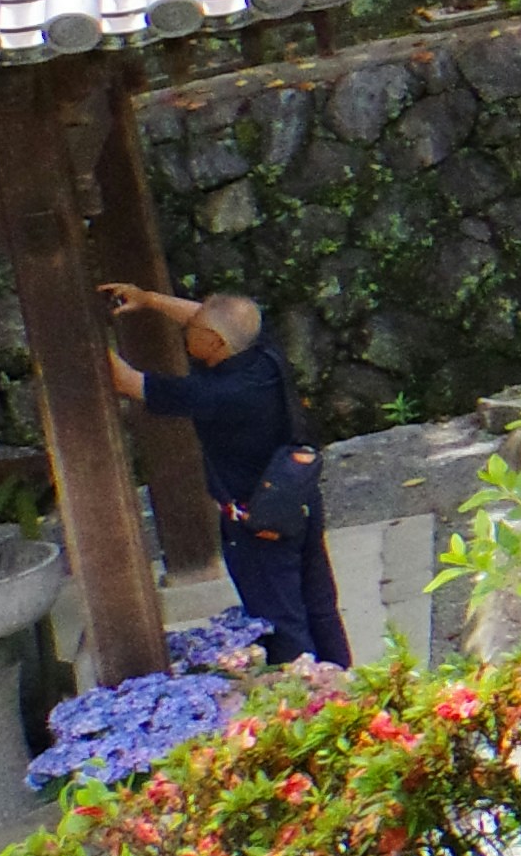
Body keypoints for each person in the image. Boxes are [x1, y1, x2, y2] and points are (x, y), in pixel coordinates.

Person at [104, 286, 346, 669]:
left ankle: (307, 692)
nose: (186, 332)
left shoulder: (217, 394)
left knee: (281, 624)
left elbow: (125, 381)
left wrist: (80, 331)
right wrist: (148, 300)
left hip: (257, 522)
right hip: (299, 500)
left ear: (214, 342)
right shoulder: (264, 355)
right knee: (319, 605)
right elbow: (217, 320)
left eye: (193, 331)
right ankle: (345, 684)